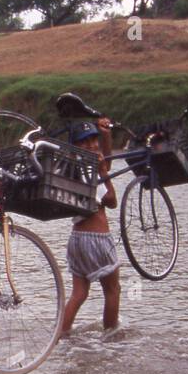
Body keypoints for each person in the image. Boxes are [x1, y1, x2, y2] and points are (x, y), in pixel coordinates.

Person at [58, 117, 120, 337]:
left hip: (76, 239)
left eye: (94, 139)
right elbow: (111, 201)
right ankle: (111, 338)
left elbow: (107, 164)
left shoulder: (72, 168)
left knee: (79, 293)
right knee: (113, 291)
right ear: (75, 146)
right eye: (85, 142)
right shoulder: (89, 170)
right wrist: (103, 172)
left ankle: (60, 336)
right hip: (98, 238)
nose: (92, 145)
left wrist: (106, 136)